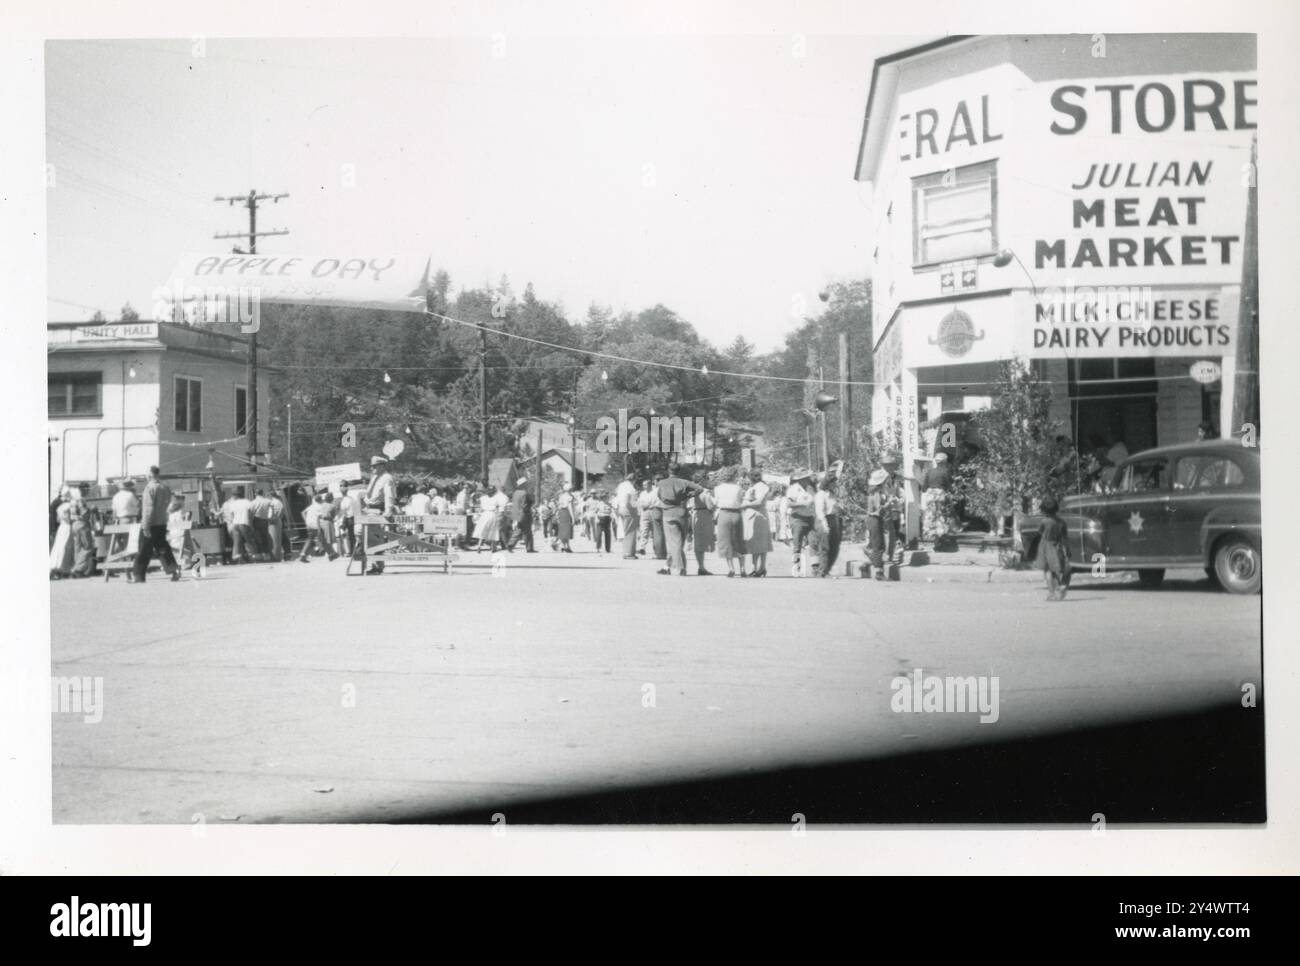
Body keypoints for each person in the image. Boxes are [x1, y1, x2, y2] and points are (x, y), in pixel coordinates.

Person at [132, 466, 181, 583]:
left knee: (144, 550)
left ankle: (138, 575)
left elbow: (148, 509)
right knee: (163, 548)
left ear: (149, 475)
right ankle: (174, 570)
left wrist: (145, 526)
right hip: (162, 522)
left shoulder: (149, 488)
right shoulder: (165, 488)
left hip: (151, 523)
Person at [655, 465, 702, 576]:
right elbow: (700, 488)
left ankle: (681, 568)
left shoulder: (662, 483)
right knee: (678, 542)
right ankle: (666, 566)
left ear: (668, 470)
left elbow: (659, 495)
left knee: (674, 542)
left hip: (668, 513)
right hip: (682, 512)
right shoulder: (684, 482)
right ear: (678, 471)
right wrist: (691, 494)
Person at [712, 467, 747, 577]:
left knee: (725, 542)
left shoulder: (717, 488)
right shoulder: (738, 488)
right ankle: (742, 569)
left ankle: (731, 568)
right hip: (736, 514)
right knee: (739, 541)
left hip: (723, 514)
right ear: (734, 476)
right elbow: (740, 501)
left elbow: (716, 502)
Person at [1035, 495, 1072, 601]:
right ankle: (1061, 586)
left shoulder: (1044, 521)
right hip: (1058, 546)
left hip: (1046, 547)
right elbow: (1065, 538)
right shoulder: (1062, 522)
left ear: (1043, 509)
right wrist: (1068, 550)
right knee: (1058, 569)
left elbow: (1040, 532)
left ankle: (1052, 592)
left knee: (1047, 570)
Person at [742, 470, 773, 578]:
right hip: (754, 514)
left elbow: (759, 502)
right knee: (757, 542)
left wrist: (745, 505)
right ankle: (758, 568)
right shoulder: (756, 486)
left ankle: (759, 567)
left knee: (758, 541)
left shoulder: (760, 487)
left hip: (758, 515)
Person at [785, 469, 816, 576]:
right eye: (806, 478)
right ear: (801, 479)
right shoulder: (793, 489)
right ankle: (797, 568)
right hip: (798, 518)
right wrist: (801, 504)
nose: (808, 479)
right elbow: (789, 503)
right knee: (797, 544)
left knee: (813, 542)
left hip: (810, 518)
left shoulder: (810, 488)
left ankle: (815, 568)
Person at [813, 472, 841, 578]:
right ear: (828, 483)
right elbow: (820, 511)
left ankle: (827, 569)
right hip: (824, 519)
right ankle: (822, 571)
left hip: (833, 519)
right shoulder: (821, 494)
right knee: (825, 546)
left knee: (835, 546)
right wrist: (825, 525)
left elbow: (834, 508)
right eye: (833, 483)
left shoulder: (832, 494)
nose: (835, 485)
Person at [690, 471, 716, 575]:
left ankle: (701, 565)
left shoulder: (692, 491)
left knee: (697, 542)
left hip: (695, 514)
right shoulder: (705, 492)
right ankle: (701, 567)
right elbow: (710, 507)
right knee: (703, 542)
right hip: (704, 515)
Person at [68, 502, 99, 578]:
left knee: (78, 549)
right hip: (82, 526)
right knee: (88, 548)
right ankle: (78, 569)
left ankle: (76, 570)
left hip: (75, 525)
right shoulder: (80, 502)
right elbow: (84, 513)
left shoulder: (72, 504)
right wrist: (91, 510)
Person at [49, 492, 75, 579]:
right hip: (67, 527)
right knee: (66, 547)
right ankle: (63, 568)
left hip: (61, 527)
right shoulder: (68, 506)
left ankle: (54, 567)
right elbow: (69, 518)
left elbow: (58, 519)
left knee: (57, 547)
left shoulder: (59, 508)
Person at [228, 487, 256, 564]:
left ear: (235, 496)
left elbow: (231, 515)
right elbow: (251, 514)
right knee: (249, 541)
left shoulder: (232, 504)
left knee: (237, 542)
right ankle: (252, 557)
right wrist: (251, 525)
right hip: (244, 523)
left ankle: (237, 558)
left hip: (235, 524)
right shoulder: (247, 502)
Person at [508, 477, 536, 552]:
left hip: (517, 514)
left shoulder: (516, 493)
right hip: (524, 514)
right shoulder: (525, 493)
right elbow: (525, 505)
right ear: (523, 484)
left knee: (519, 530)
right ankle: (529, 548)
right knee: (528, 531)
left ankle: (510, 544)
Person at [615, 472, 639, 560]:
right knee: (630, 531)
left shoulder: (621, 485)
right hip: (628, 509)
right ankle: (628, 553)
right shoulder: (630, 487)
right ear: (634, 480)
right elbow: (627, 499)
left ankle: (629, 551)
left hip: (621, 508)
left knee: (626, 530)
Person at [643, 474, 667, 561]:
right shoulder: (665, 489)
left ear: (656, 481)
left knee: (657, 533)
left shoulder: (656, 490)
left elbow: (651, 501)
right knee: (661, 532)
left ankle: (659, 553)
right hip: (663, 510)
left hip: (656, 510)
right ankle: (663, 552)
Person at [249, 489, 274, 558]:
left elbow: (250, 513)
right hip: (265, 520)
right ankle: (266, 553)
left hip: (256, 520)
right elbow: (272, 509)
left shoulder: (253, 502)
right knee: (264, 537)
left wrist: (250, 523)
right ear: (263, 493)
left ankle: (259, 553)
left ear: (255, 494)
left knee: (257, 537)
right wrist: (270, 517)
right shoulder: (268, 501)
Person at [336, 482, 358, 558]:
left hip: (348, 518)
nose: (341, 488)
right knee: (350, 536)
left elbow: (343, 512)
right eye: (340, 486)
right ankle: (350, 551)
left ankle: (350, 552)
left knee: (348, 536)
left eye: (342, 486)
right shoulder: (351, 498)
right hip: (351, 518)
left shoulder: (345, 500)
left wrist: (342, 522)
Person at [635, 480, 656, 556]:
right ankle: (642, 548)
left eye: (646, 485)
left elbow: (655, 502)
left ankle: (656, 548)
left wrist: (648, 504)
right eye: (643, 485)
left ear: (650, 485)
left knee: (655, 531)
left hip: (653, 511)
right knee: (644, 530)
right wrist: (644, 505)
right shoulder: (642, 493)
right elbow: (640, 502)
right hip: (645, 512)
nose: (644, 487)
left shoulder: (654, 492)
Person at [555, 482, 576, 552]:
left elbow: (559, 506)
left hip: (561, 513)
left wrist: (557, 515)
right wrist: (573, 517)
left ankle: (566, 546)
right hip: (567, 513)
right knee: (567, 530)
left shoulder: (561, 496)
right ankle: (564, 545)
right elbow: (570, 507)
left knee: (563, 530)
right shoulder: (570, 497)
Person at [592, 489, 614, 555]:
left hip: (607, 519)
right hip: (600, 519)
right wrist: (596, 519)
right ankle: (598, 548)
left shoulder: (610, 504)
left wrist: (613, 518)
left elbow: (612, 512)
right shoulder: (599, 504)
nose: (605, 498)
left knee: (608, 534)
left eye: (606, 497)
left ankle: (608, 549)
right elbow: (595, 512)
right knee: (599, 534)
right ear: (602, 498)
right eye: (604, 497)